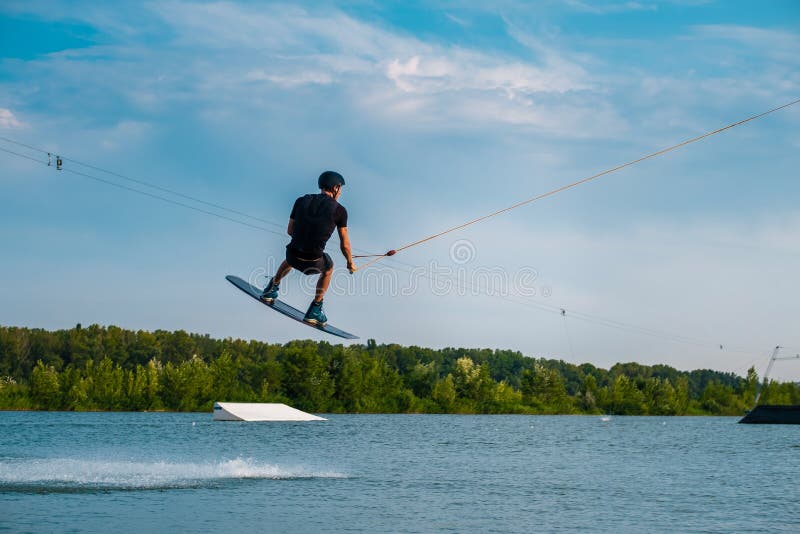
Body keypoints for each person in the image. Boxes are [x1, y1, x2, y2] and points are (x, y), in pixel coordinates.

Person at [260, 171, 356, 325]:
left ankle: (271, 288)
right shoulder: (340, 210)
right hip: (313, 263)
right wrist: (350, 262)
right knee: (329, 267)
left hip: (291, 256)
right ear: (336, 188)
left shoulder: (301, 200)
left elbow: (290, 231)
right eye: (341, 189)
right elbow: (345, 244)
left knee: (292, 253)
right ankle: (315, 308)